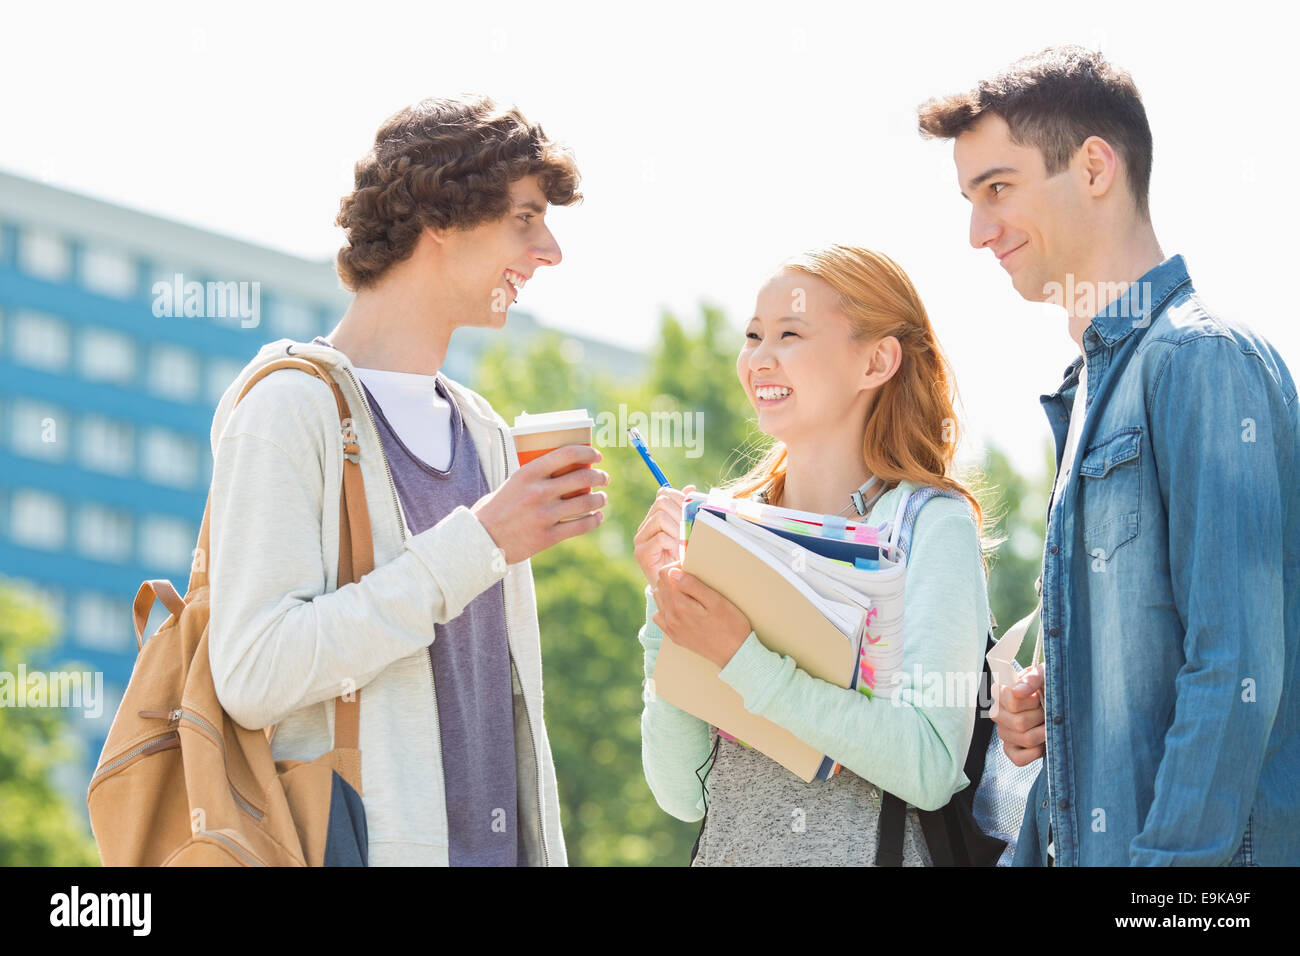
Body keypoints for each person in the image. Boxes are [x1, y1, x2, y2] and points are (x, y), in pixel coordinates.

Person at [918, 45, 1299, 865]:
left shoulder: (1203, 361)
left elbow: (1238, 672)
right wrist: (1063, 706)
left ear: (1094, 166)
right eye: (970, 198)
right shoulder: (1087, 387)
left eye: (998, 189)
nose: (978, 231)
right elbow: (1160, 655)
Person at [206, 95, 610, 866]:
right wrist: (481, 543)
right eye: (525, 219)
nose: (549, 250)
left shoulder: (487, 434)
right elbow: (254, 673)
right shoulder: (292, 408)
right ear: (441, 217)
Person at [634, 244, 993, 865]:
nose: (758, 358)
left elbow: (931, 768)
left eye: (790, 334)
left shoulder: (929, 526)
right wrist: (665, 615)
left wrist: (742, 658)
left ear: (877, 360)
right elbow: (679, 793)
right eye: (752, 335)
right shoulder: (726, 524)